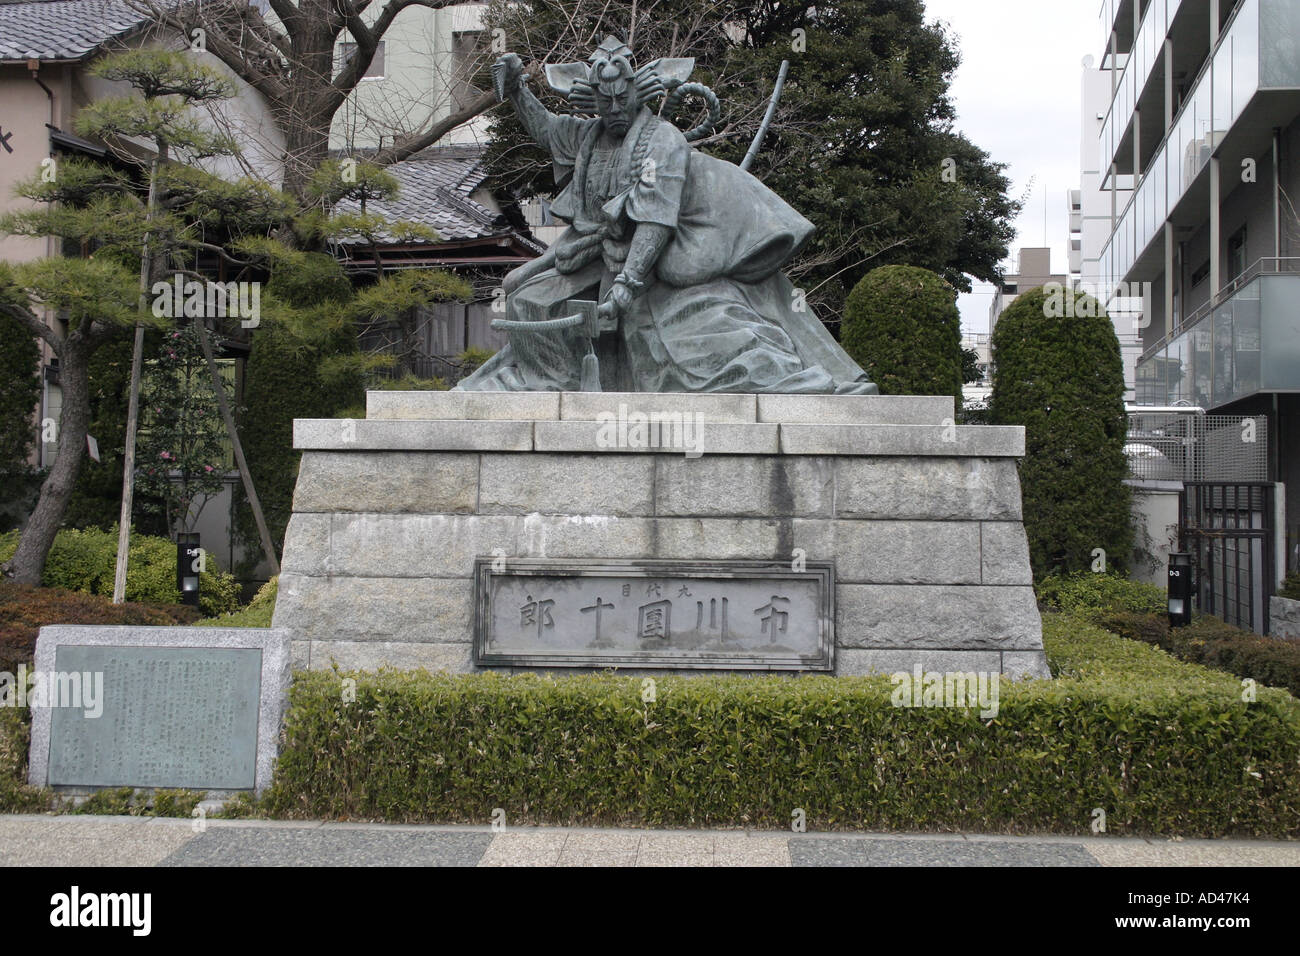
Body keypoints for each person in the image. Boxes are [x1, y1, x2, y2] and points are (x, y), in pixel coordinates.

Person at [457, 36, 878, 395]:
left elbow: (656, 219)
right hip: (593, 255)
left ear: (640, 92)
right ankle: (551, 383)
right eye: (606, 101)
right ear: (593, 100)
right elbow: (545, 128)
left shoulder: (662, 140)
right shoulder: (587, 136)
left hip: (654, 263)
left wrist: (625, 287)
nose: (615, 108)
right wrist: (516, 89)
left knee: (685, 342)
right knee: (524, 295)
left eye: (623, 98)